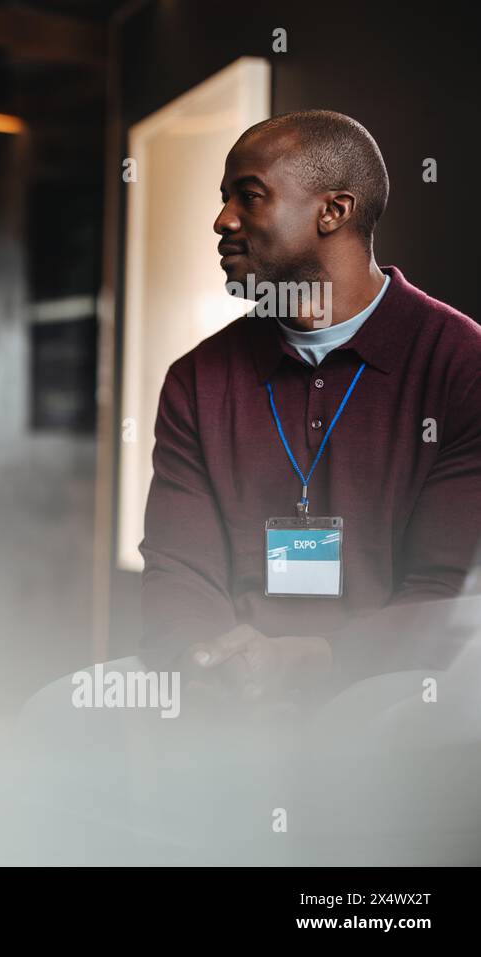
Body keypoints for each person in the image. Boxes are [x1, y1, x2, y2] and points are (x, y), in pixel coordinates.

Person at [140, 110, 481, 700]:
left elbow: (447, 591)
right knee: (58, 710)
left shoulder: (460, 364)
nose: (222, 221)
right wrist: (216, 663)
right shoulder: (197, 378)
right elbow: (178, 570)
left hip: (395, 693)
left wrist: (317, 662)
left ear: (334, 211)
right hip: (225, 692)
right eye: (225, 199)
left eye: (249, 196)